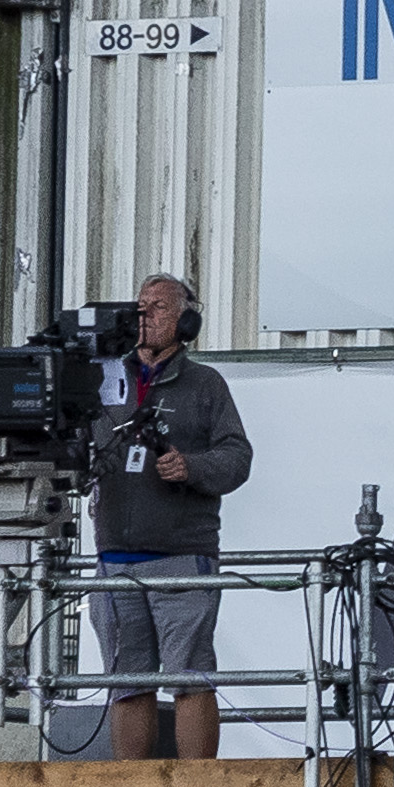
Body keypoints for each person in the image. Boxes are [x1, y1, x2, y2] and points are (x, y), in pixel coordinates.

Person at [91, 271, 253, 761]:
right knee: (127, 683)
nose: (145, 314)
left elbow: (237, 457)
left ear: (186, 322)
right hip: (114, 557)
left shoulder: (205, 384)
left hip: (182, 556)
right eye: (140, 306)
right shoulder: (103, 380)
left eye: (159, 306)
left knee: (190, 678)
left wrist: (192, 467)